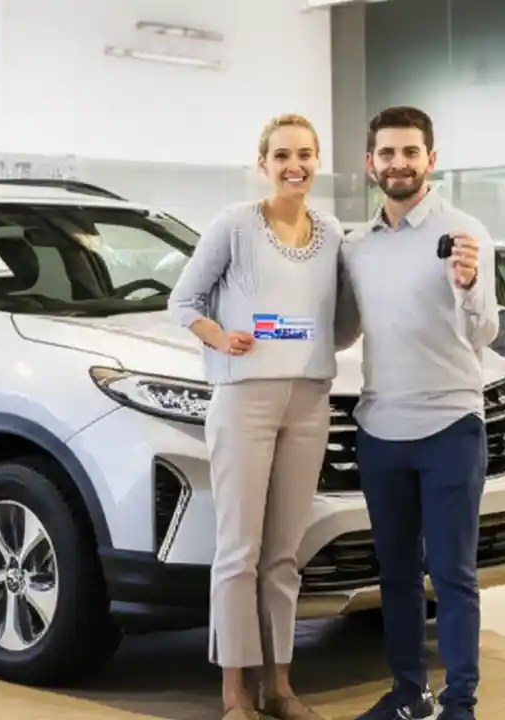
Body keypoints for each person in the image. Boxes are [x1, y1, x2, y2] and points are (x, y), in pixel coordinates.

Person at [168, 113, 359, 720]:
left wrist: (315, 342)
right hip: (244, 397)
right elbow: (182, 301)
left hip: (309, 399)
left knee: (284, 554)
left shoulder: (333, 234)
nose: (294, 166)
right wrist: (220, 338)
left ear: (317, 160)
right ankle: (234, 693)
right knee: (239, 551)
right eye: (282, 156)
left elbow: (344, 323)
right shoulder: (234, 224)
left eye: (304, 155)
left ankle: (279, 688)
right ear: (263, 163)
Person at [342, 106, 498, 720]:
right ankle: (410, 695)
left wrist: (467, 285)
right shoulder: (357, 246)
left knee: (454, 575)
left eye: (411, 152)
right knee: (397, 576)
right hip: (380, 427)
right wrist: (261, 332)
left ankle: (460, 704)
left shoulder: (464, 232)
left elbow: (484, 330)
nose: (399, 163)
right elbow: (341, 331)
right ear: (370, 163)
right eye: (387, 153)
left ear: (431, 159)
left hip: (450, 427)